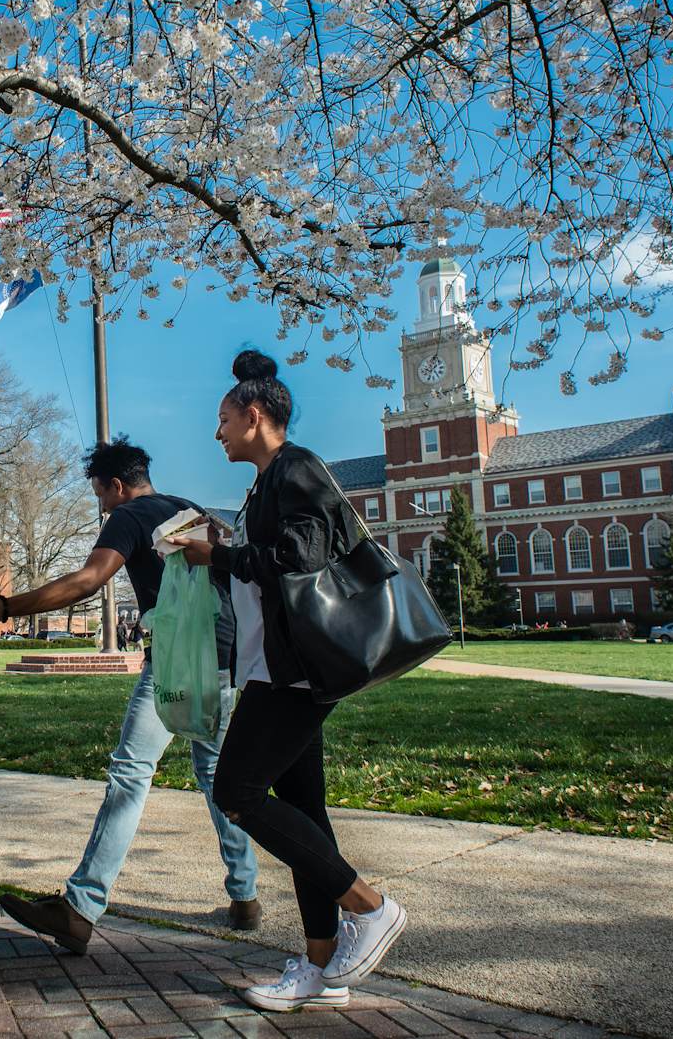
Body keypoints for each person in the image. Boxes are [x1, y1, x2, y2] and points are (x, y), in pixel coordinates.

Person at [0, 436, 260, 955]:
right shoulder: (189, 509)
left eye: (100, 495)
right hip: (223, 657)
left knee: (129, 774)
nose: (101, 506)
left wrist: (4, 607)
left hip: (174, 663)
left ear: (116, 486)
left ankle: (80, 908)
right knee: (215, 777)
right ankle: (245, 896)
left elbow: (88, 580)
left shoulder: (129, 515)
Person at [171, 350, 407, 1013]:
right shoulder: (269, 480)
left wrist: (217, 552)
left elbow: (298, 557)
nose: (216, 432)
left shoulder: (296, 467)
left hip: (295, 672)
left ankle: (370, 905)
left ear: (252, 416)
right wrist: (217, 549)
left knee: (238, 790)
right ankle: (322, 966)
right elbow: (268, 561)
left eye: (222, 420)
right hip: (275, 665)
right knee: (304, 812)